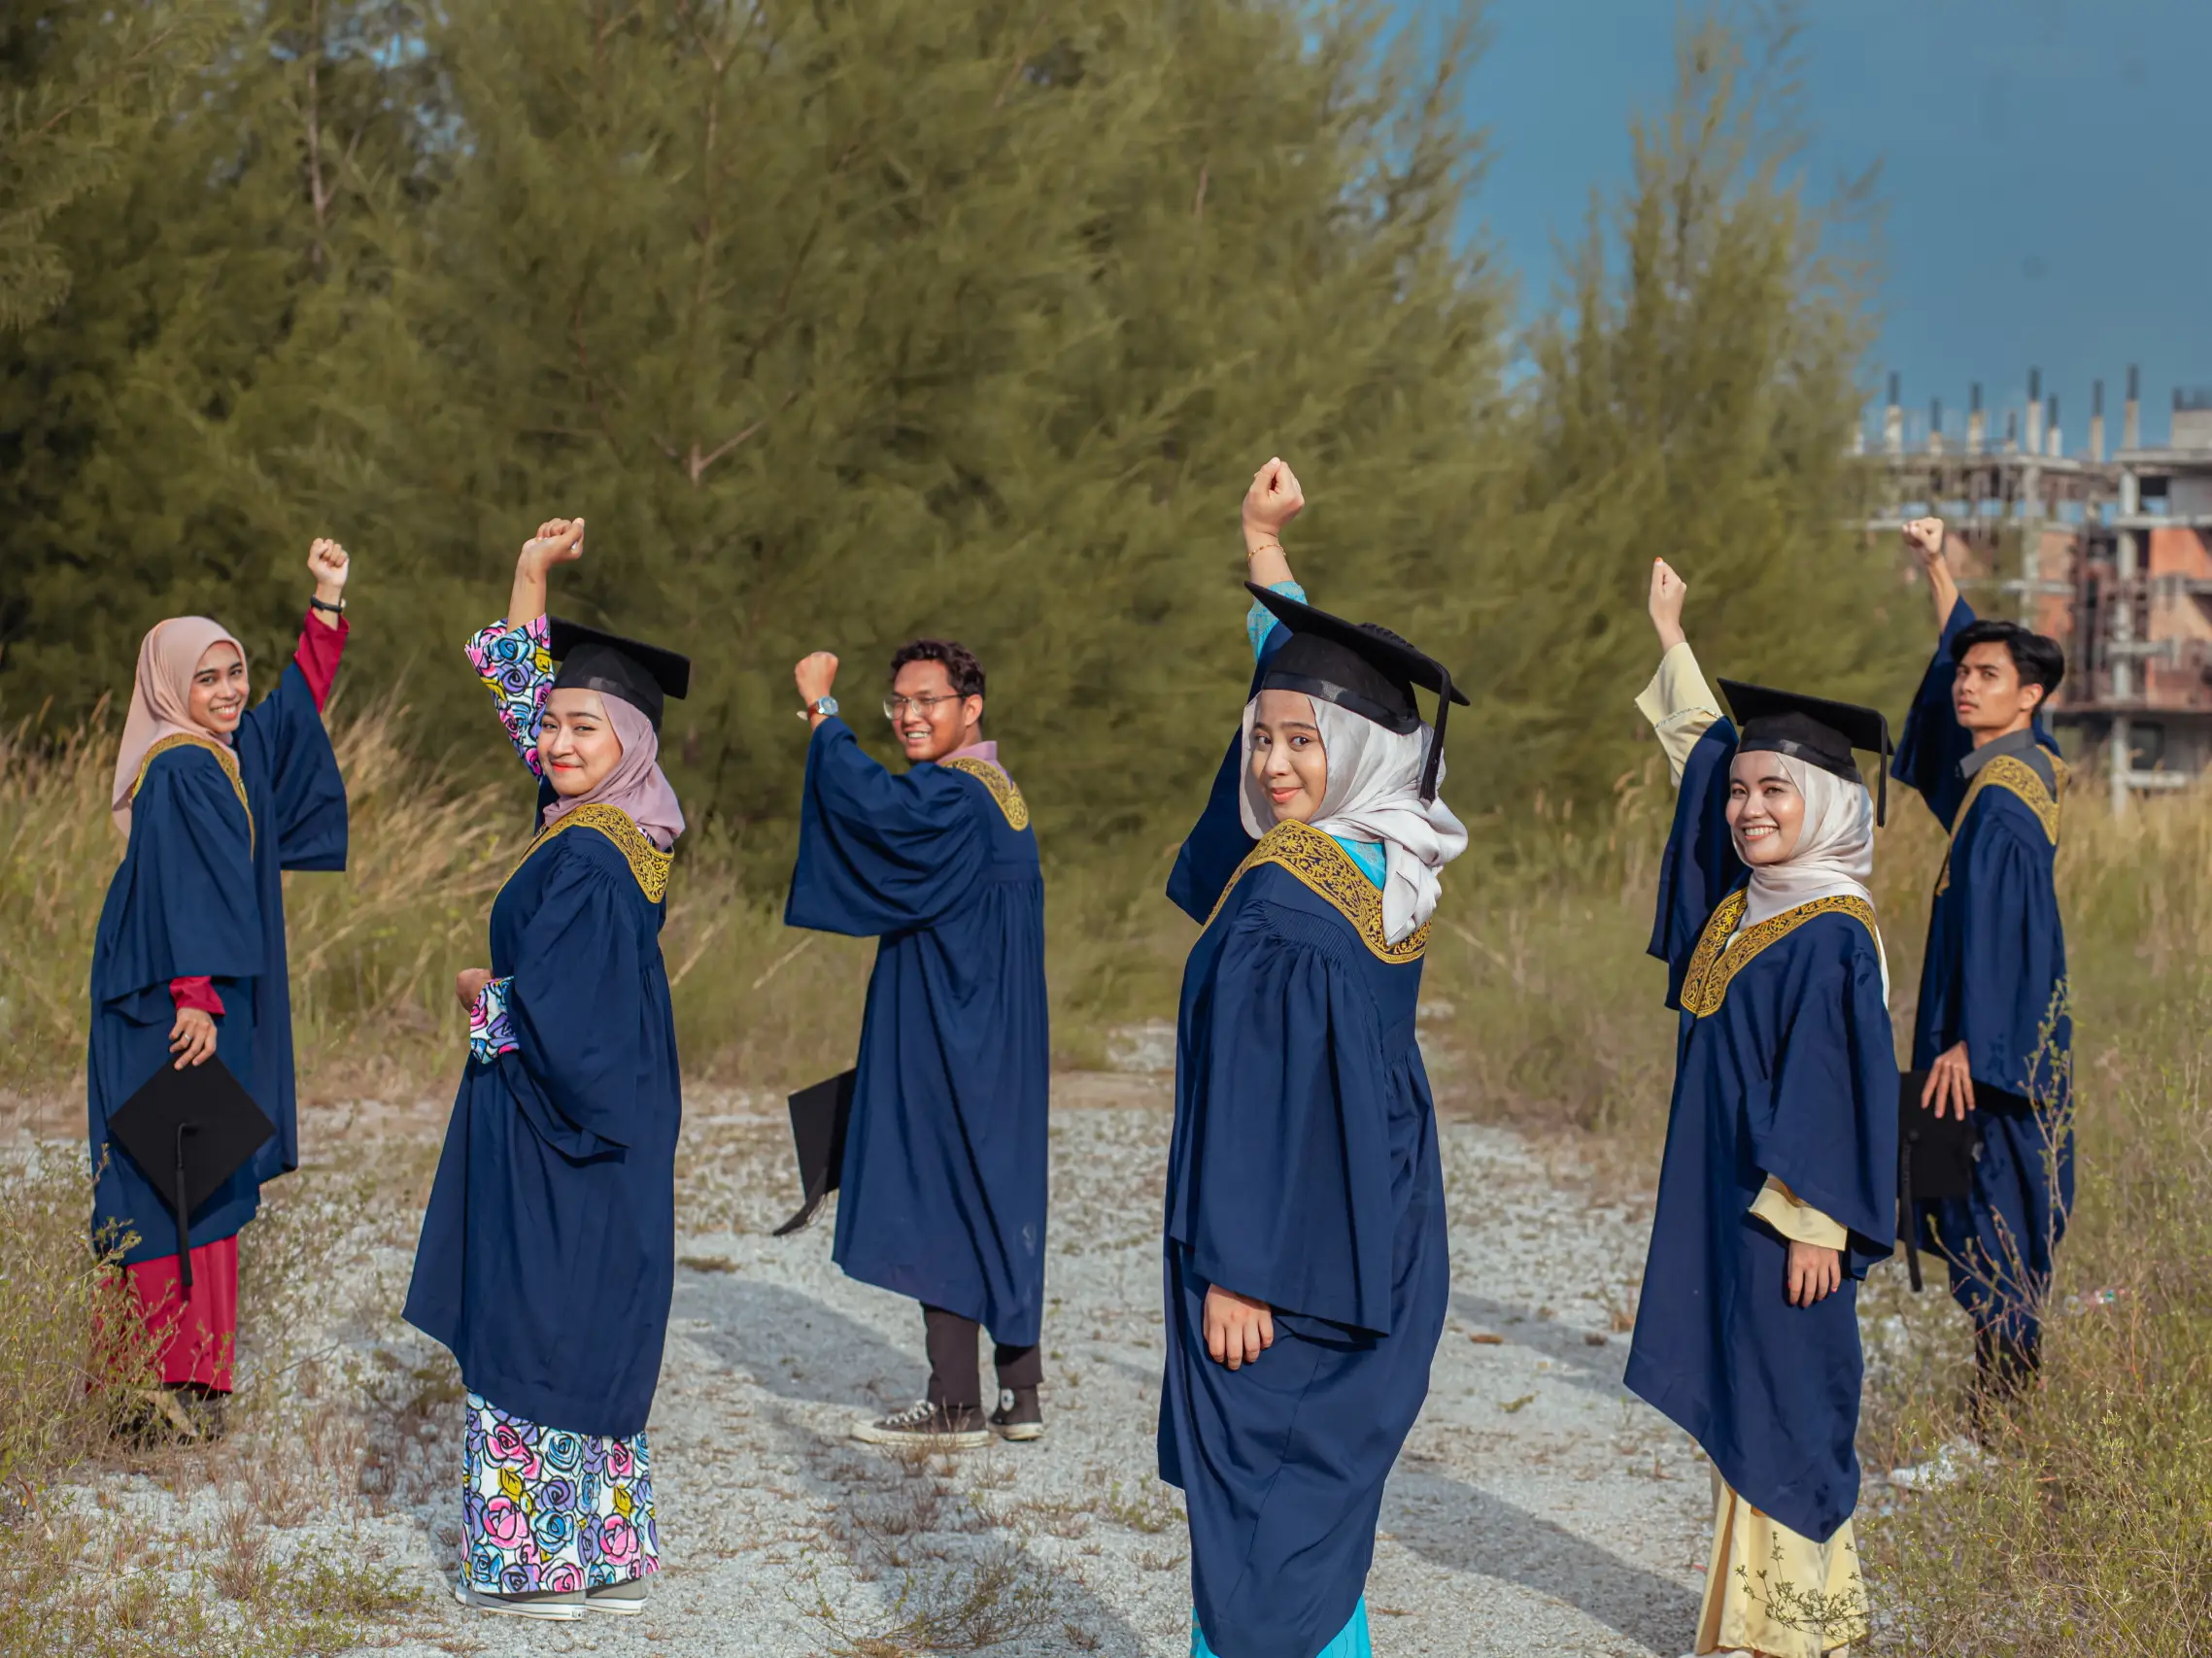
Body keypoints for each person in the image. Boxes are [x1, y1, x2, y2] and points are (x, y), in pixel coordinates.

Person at [1158, 458, 1468, 1658]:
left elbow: (1256, 1103)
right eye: (1264, 738)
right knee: (1313, 1499)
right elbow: (1321, 683)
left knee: (1262, 1513)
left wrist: (1239, 1269)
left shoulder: (1287, 898)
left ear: (1357, 747)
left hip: (1278, 1250)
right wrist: (1266, 556)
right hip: (1368, 1222)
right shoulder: (1392, 852)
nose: (1277, 761)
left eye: (1305, 740)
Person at [403, 518, 687, 1622]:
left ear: (628, 737)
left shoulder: (582, 860)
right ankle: (604, 1552)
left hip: (561, 1121)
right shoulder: (622, 826)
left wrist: (487, 998)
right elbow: (530, 717)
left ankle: (530, 1565)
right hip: (615, 1121)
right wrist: (530, 580)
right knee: (593, 1313)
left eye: (585, 725)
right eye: (556, 724)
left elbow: (562, 1017)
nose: (559, 742)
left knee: (537, 1311)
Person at [1629, 557, 1896, 1658]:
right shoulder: (1752, 908)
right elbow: (1697, 765)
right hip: (1730, 1207)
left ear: (1828, 805)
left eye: (1775, 791)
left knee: (1789, 1408)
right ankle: (1745, 1629)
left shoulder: (1830, 930)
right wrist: (1671, 638)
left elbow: (1835, 1088)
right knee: (1747, 1403)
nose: (1746, 810)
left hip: (1788, 1222)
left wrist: (1817, 1223)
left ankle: (1801, 1636)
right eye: (1744, 792)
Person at [87, 538, 353, 1439]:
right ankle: (151, 1389)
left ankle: (185, 1383)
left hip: (187, 995)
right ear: (169, 687)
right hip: (167, 1002)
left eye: (233, 670)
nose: (229, 691)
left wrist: (323, 605)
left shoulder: (223, 754)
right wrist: (196, 993)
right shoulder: (181, 766)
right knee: (166, 1172)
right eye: (208, 678)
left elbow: (292, 716)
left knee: (192, 1170)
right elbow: (181, 882)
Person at [782, 629, 1050, 1447]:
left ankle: (954, 1403)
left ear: (971, 708)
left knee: (936, 1186)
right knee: (992, 1188)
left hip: (949, 1026)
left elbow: (877, 808)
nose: (907, 715)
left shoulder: (955, 794)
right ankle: (1020, 1393)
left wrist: (825, 715)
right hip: (995, 1029)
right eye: (896, 702)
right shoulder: (999, 788)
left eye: (926, 700)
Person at [1892, 516, 2071, 1422]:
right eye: (1963, 672)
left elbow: (2004, 935)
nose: (1963, 684)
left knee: (2000, 1227)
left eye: (1986, 675)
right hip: (2002, 1048)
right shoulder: (2007, 770)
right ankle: (1992, 1424)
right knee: (1995, 1226)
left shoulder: (2001, 804)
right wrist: (1938, 571)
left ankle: (2001, 1432)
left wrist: (1970, 1040)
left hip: (1995, 1059)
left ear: (2029, 695)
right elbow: (1941, 727)